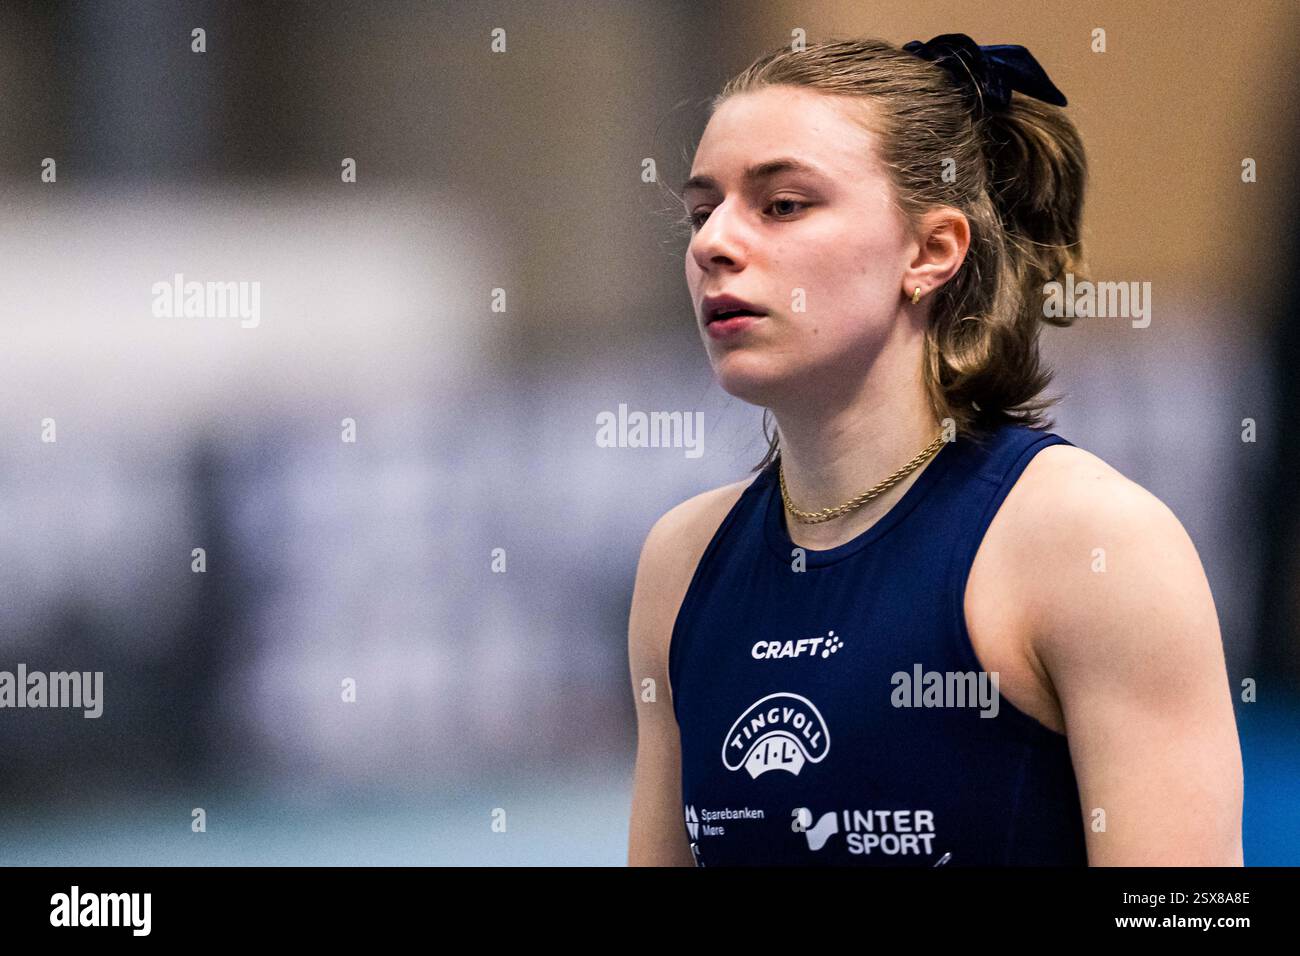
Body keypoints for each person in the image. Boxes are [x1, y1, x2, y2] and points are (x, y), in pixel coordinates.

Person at [626, 34, 1243, 866]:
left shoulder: (1091, 544)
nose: (712, 244)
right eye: (704, 211)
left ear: (931, 252)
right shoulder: (682, 564)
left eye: (782, 205)